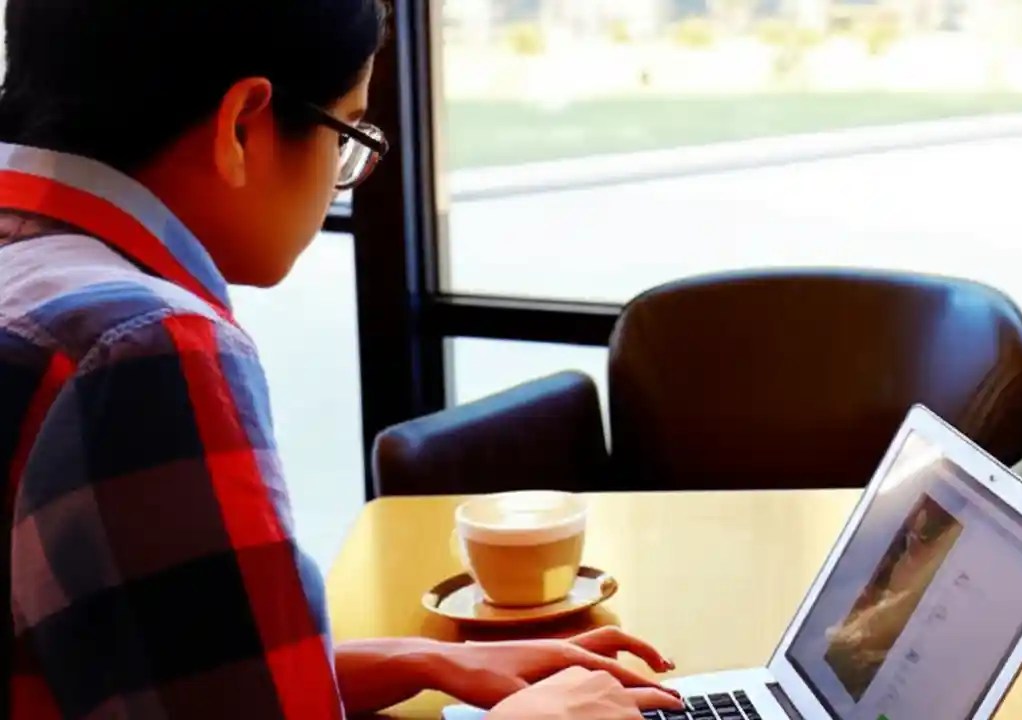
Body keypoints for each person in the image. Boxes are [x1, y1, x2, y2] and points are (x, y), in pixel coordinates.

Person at [0, 2, 686, 718]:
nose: (341, 175)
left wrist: (419, 655)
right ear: (243, 124)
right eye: (347, 132)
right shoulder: (139, 345)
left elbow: (126, 669)